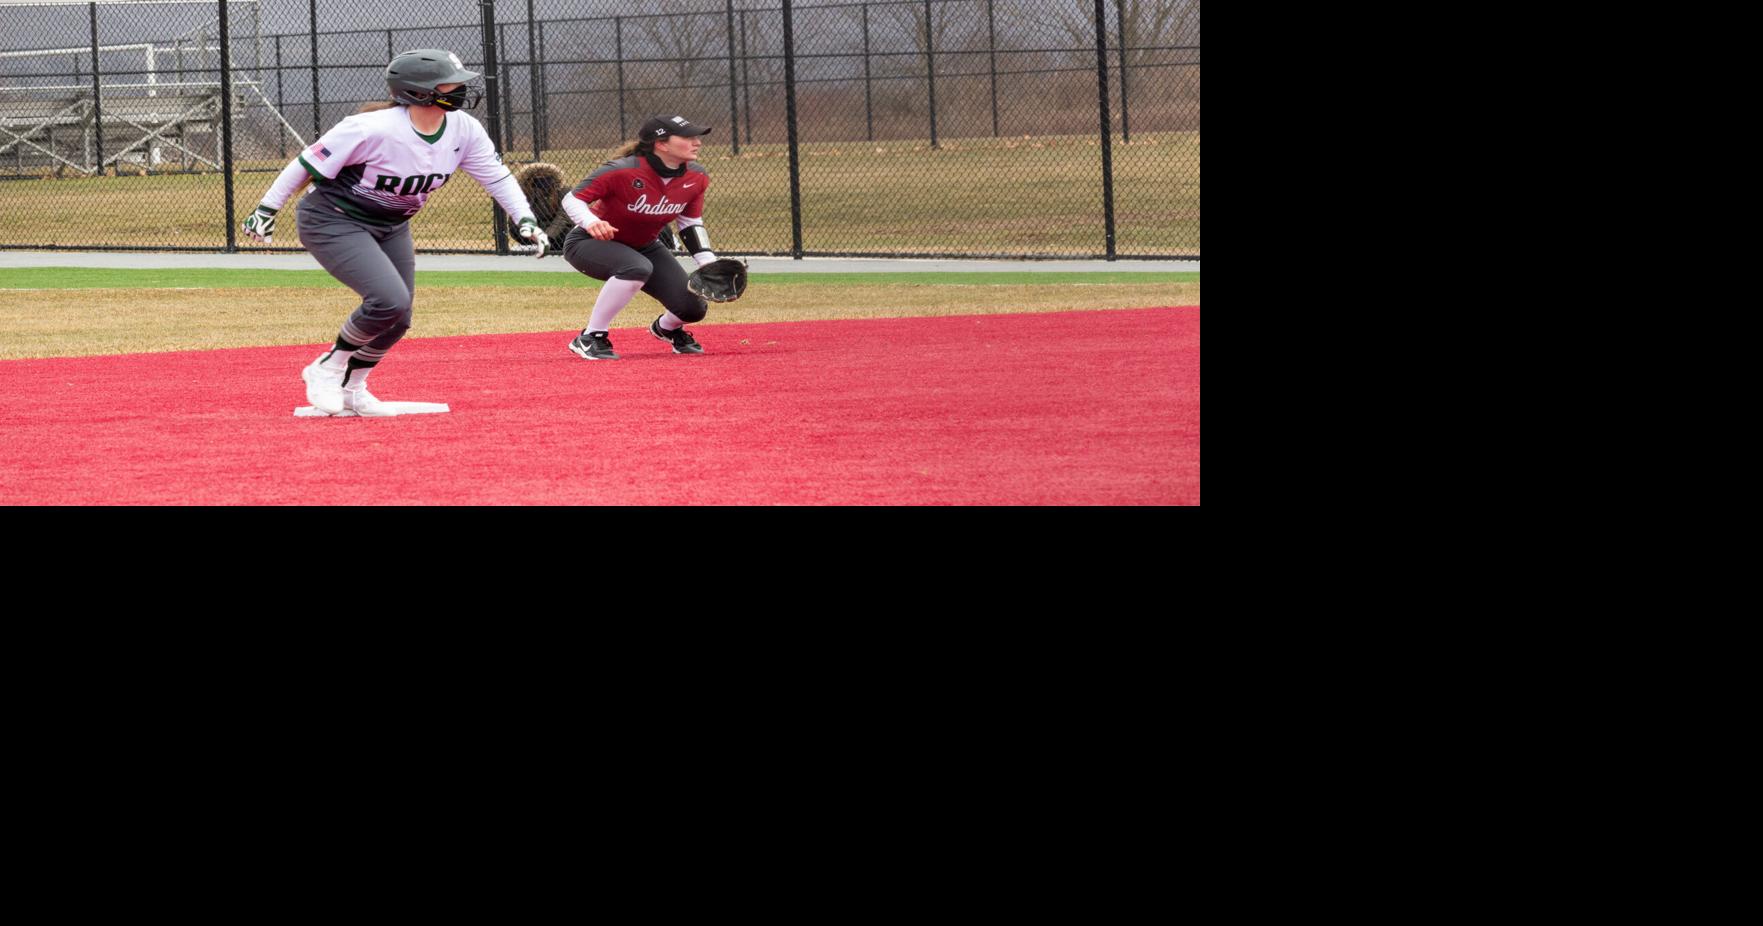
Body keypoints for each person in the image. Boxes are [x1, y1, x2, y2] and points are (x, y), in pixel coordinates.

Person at [240, 48, 548, 415]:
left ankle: (354, 388)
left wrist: (524, 218)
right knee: (388, 300)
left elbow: (496, 177)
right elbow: (304, 164)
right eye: (451, 84)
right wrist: (266, 209)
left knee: (399, 317)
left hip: (392, 225)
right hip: (333, 219)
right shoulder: (372, 128)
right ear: (418, 92)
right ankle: (328, 368)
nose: (462, 90)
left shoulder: (464, 128)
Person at [560, 115, 724, 360]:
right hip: (588, 242)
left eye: (696, 137)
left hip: (644, 246)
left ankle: (666, 328)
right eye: (688, 137)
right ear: (661, 144)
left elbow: (689, 222)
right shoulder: (622, 170)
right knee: (636, 267)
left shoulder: (696, 177)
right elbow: (572, 198)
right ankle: (590, 336)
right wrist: (591, 222)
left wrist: (707, 263)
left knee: (692, 308)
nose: (697, 142)